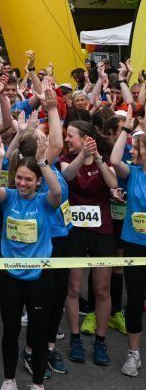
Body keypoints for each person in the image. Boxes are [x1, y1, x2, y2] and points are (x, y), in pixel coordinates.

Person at [0, 126, 62, 390]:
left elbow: (57, 192)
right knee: (10, 331)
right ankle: (9, 382)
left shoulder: (45, 201)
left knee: (39, 332)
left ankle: (38, 386)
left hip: (39, 277)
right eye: (19, 178)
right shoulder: (8, 199)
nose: (22, 183)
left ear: (37, 181)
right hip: (11, 276)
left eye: (28, 179)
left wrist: (43, 163)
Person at [60, 121, 118, 365]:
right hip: (74, 230)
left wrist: (97, 158)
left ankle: (100, 341)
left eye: (71, 136)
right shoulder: (66, 158)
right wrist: (81, 155)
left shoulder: (103, 160)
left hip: (101, 229)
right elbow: (68, 175)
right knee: (73, 288)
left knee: (102, 289)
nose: (67, 140)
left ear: (86, 138)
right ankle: (75, 338)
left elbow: (113, 184)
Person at [109, 109, 146, 377]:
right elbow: (113, 158)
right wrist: (127, 129)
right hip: (134, 244)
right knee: (133, 301)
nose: (131, 152)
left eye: (136, 148)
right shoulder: (132, 173)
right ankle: (133, 354)